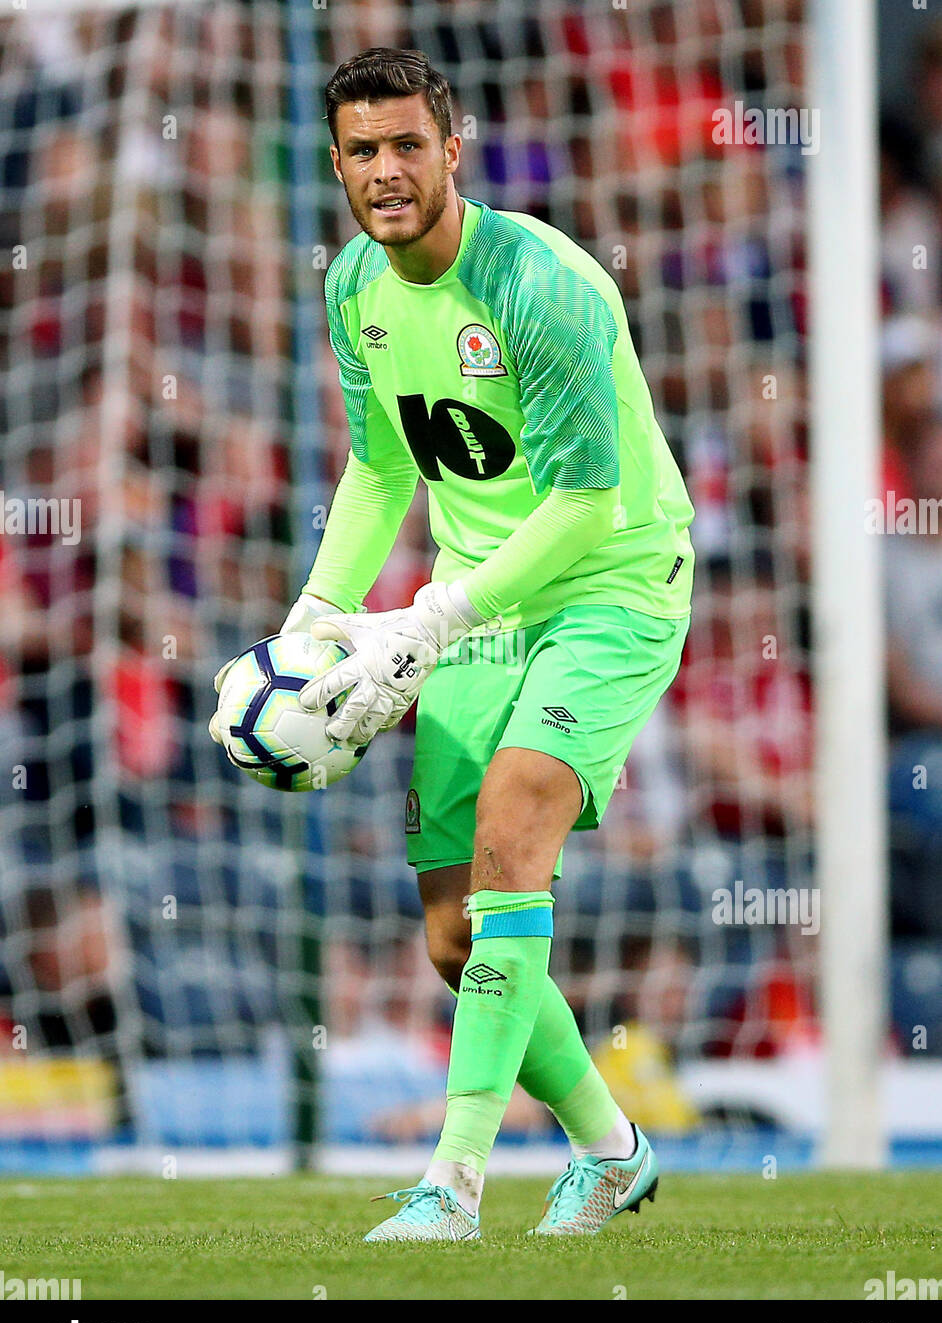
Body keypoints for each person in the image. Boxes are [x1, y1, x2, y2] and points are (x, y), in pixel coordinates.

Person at [214, 47, 695, 1239]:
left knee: (510, 835)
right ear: (336, 165)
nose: (386, 172)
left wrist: (434, 615)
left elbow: (586, 499)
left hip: (611, 583)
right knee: (450, 931)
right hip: (475, 607)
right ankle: (613, 1146)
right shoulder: (351, 290)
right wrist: (321, 615)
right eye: (363, 152)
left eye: (407, 146)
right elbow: (384, 467)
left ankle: (455, 1184)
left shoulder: (544, 285)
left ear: (452, 146)